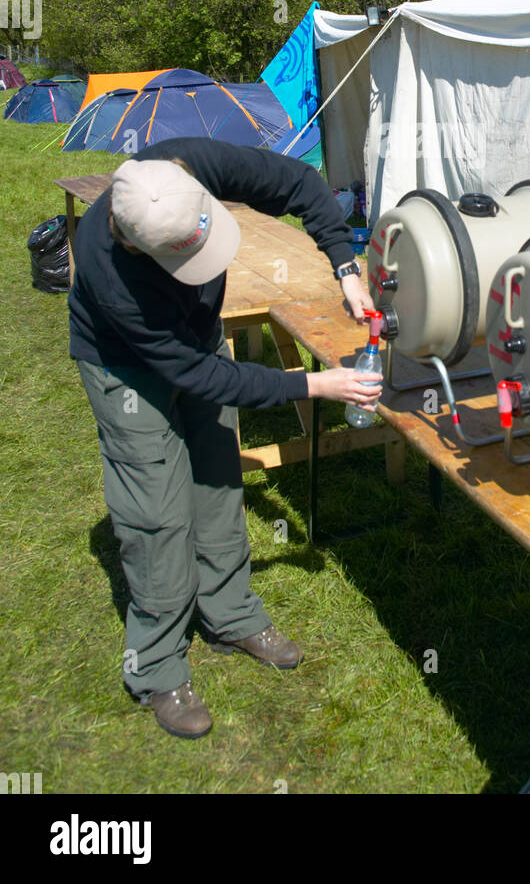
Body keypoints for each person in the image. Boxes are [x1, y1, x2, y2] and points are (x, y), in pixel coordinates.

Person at [68, 136, 381, 739]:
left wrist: (346, 267)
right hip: (124, 367)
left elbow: (301, 186)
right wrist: (316, 389)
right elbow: (200, 373)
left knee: (216, 472)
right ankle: (156, 664)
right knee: (156, 510)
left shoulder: (184, 165)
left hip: (196, 337)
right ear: (134, 245)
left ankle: (230, 613)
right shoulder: (111, 270)